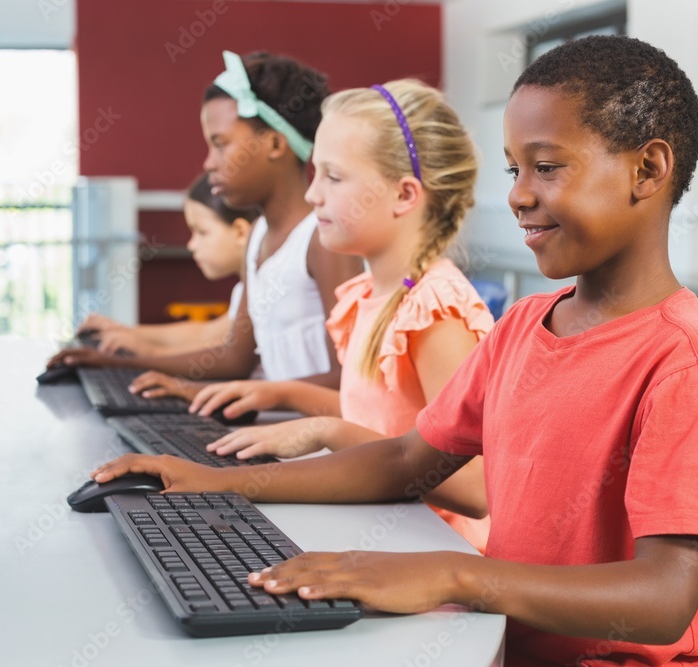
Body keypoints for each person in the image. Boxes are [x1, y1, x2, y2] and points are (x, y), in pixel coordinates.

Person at [90, 36, 698, 665]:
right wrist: (221, 484)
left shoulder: (688, 361)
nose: (519, 193)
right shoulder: (524, 324)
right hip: (500, 641)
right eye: (514, 169)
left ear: (649, 168)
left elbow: (666, 599)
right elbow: (408, 458)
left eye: (546, 167)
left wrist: (455, 573)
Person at [173, 80, 494, 549]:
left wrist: (327, 431)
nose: (312, 196)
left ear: (405, 195)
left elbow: (473, 488)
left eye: (334, 178)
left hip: (434, 554)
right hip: (385, 534)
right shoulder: (369, 294)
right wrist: (284, 394)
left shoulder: (434, 312)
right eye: (314, 174)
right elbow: (383, 422)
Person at [48, 50, 363, 389]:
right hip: (279, 434)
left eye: (221, 144)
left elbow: (348, 379)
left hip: (322, 441)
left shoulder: (321, 239)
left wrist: (250, 394)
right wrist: (115, 363)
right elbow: (233, 358)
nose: (210, 163)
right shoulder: (257, 237)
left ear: (274, 143)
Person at [76, 173, 258, 358]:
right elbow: (207, 334)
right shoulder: (244, 289)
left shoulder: (264, 291)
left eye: (201, 232)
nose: (191, 245)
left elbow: (224, 352)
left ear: (240, 233)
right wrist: (124, 331)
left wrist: (148, 352)